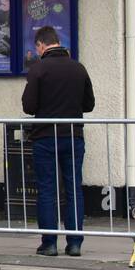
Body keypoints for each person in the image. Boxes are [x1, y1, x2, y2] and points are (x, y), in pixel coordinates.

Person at [22, 26, 94, 257]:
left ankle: (49, 243)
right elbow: (89, 104)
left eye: (37, 47)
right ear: (58, 42)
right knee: (74, 189)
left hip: (44, 138)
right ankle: (74, 244)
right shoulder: (78, 68)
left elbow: (29, 106)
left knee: (47, 190)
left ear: (41, 45)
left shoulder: (38, 69)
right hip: (73, 136)